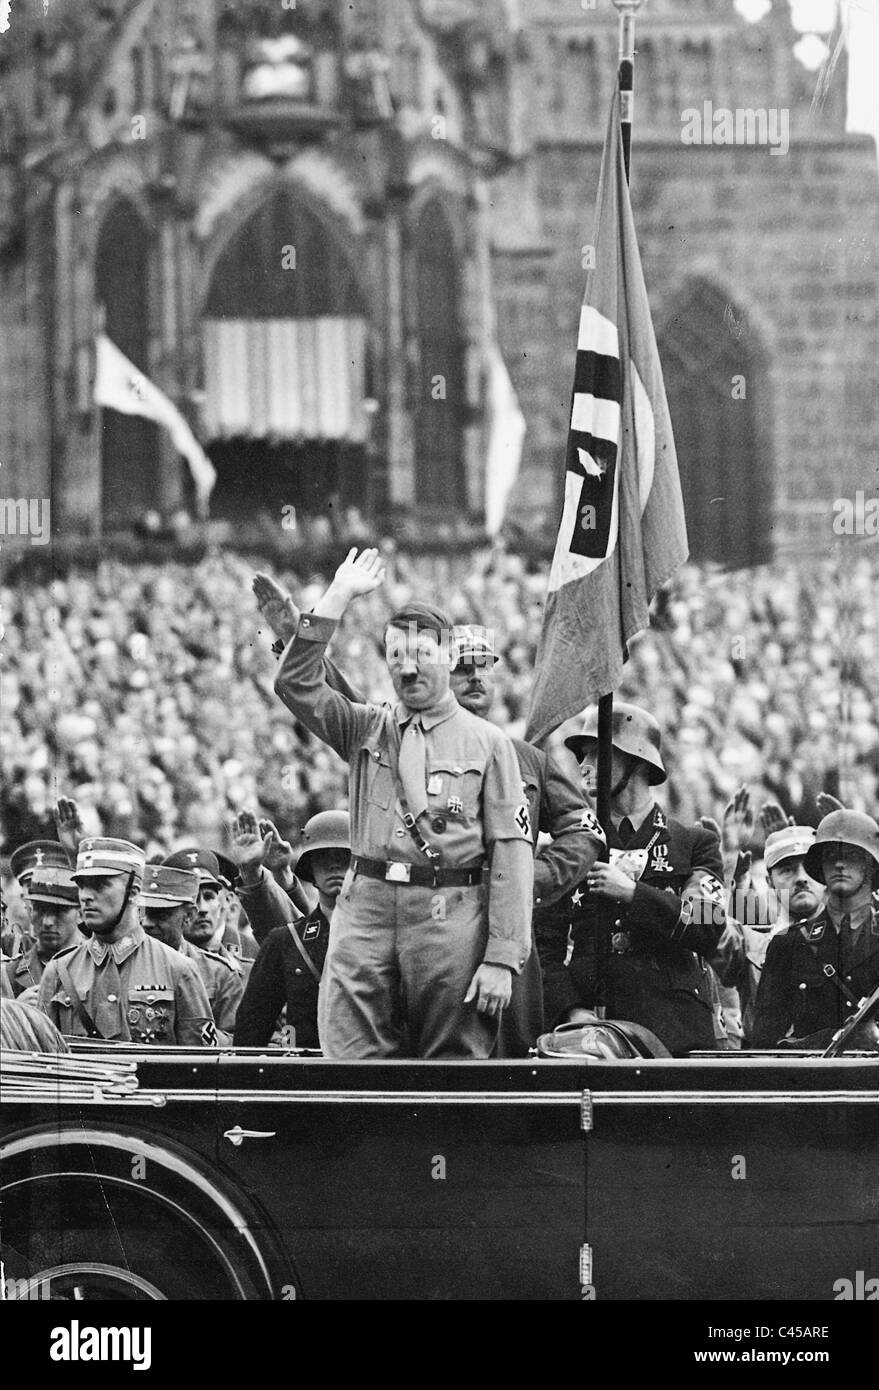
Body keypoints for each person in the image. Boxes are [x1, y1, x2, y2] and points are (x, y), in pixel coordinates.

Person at [254, 572, 604, 1056]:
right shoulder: (377, 728)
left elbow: (563, 836)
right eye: (465, 669)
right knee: (358, 1059)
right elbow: (316, 693)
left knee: (465, 1069)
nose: (474, 680)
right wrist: (312, 622)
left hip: (465, 920)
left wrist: (528, 888)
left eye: (483, 670)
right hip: (376, 917)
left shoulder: (510, 753)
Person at [536, 702, 727, 1056]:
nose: (583, 766)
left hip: (674, 1030)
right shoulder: (571, 848)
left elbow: (709, 925)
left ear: (636, 760)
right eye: (582, 755)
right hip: (591, 1030)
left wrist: (633, 894)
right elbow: (543, 949)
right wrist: (571, 1010)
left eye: (596, 753)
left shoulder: (694, 843)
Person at [38, 837, 217, 1046]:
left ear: (133, 892)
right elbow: (45, 1061)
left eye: (100, 885)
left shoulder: (178, 969)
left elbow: (200, 1066)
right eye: (82, 886)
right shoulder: (59, 971)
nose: (86, 895)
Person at [750, 810, 879, 1048]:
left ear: (870, 865)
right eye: (830, 856)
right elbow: (764, 1044)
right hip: (816, 1080)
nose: (839, 863)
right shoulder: (788, 944)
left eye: (851, 855)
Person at [234, 811, 350, 1049]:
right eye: (322, 856)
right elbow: (251, 1031)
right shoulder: (286, 940)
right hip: (304, 1075)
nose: (334, 864)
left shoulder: (384, 936)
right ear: (310, 868)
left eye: (343, 856)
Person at [714, 824, 823, 1043]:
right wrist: (725, 875)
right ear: (770, 882)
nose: (801, 878)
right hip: (771, 1068)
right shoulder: (751, 944)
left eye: (810, 867)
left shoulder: (853, 935)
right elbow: (704, 924)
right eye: (787, 870)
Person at [139, 864, 244, 1045]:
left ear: (187, 916)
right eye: (143, 912)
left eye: (160, 915)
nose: (147, 923)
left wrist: (194, 1028)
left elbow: (239, 1040)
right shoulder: (124, 965)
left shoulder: (220, 973)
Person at [3, 867, 82, 999]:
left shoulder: (99, 969)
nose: (47, 922)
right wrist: (17, 1010)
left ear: (80, 914)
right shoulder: (8, 974)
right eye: (40, 910)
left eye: (58, 911)